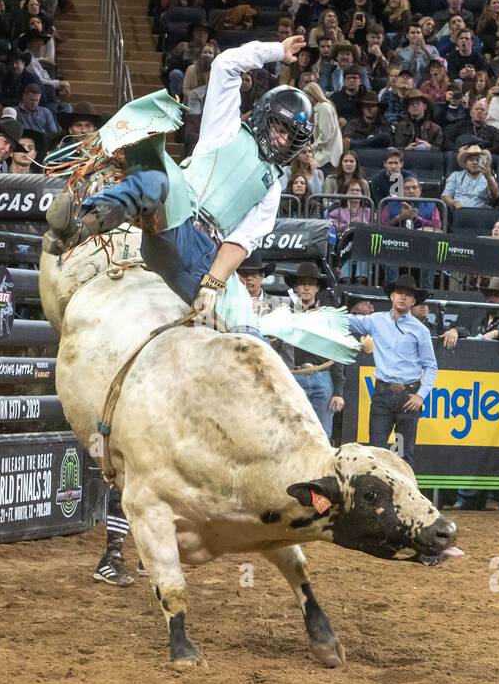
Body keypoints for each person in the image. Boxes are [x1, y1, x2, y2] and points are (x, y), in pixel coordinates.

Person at [48, 36, 340, 343]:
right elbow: (225, 65)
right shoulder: (224, 126)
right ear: (265, 115)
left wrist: (212, 286)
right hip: (178, 212)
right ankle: (78, 227)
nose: (282, 141)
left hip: (204, 257)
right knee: (157, 179)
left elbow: (242, 241)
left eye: (291, 138)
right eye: (281, 129)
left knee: (248, 330)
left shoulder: (272, 188)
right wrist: (276, 52)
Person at [346, 273, 438, 467]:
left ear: (414, 301)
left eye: (408, 294)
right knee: (375, 452)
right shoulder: (375, 320)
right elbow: (347, 321)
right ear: (391, 296)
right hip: (383, 394)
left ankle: (400, 496)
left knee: (403, 456)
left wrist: (420, 395)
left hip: (409, 397)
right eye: (399, 292)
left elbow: (430, 366)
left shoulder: (421, 330)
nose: (403, 297)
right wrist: (322, 313)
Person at [287, 262, 346, 438]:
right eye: (302, 283)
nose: (306, 287)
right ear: (295, 288)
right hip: (293, 377)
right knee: (291, 434)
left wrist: (338, 392)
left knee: (322, 436)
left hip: (322, 376)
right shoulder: (285, 315)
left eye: (311, 283)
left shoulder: (328, 316)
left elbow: (337, 353)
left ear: (317, 288)